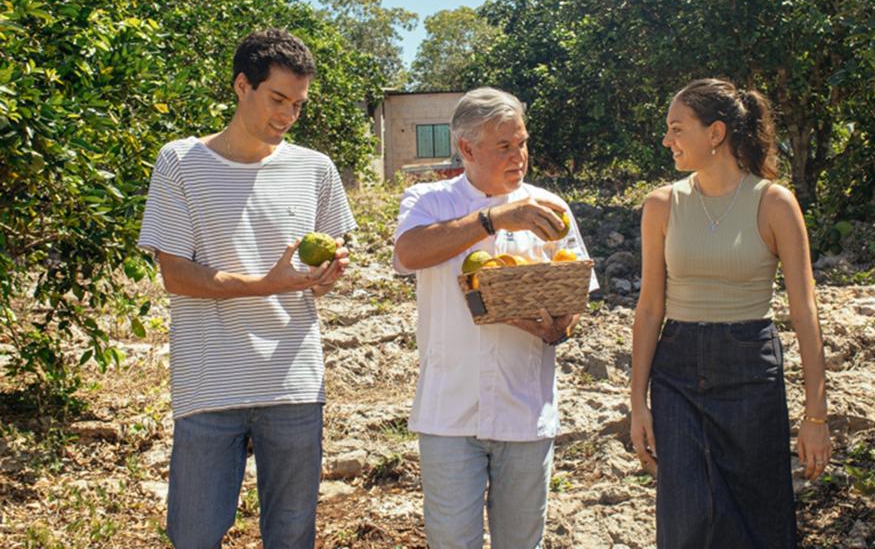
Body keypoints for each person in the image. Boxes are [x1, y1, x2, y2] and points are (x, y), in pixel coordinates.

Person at [138, 28, 356, 548]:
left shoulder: (315, 169)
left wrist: (326, 276)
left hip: (295, 383)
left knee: (291, 535)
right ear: (242, 85)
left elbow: (323, 276)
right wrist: (267, 284)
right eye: (277, 99)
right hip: (209, 384)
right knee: (193, 534)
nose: (286, 116)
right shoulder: (180, 162)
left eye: (298, 106)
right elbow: (176, 275)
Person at [630, 78, 832, 548]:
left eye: (677, 128)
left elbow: (805, 311)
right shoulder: (661, 205)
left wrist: (815, 416)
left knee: (758, 518)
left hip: (750, 371)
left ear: (715, 133)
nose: (667, 140)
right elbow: (649, 309)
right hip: (676, 372)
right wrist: (638, 401)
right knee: (686, 523)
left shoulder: (773, 202)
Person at [393, 87, 598, 549]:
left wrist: (557, 329)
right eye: (504, 146)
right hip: (450, 415)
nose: (518, 156)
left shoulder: (551, 208)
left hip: (525, 413)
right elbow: (408, 253)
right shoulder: (429, 201)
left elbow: (574, 298)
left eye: (521, 143)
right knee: (450, 542)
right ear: (466, 148)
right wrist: (495, 219)